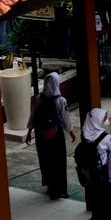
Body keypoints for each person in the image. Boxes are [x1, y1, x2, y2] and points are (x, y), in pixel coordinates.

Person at [25, 71, 76, 200]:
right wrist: (71, 132)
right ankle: (60, 190)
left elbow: (33, 116)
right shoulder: (60, 100)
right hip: (55, 134)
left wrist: (28, 133)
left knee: (46, 160)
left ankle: (50, 186)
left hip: (41, 134)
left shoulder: (38, 99)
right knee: (58, 161)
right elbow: (66, 119)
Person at [77, 108, 111, 220]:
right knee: (108, 201)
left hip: (89, 174)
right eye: (104, 118)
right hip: (103, 173)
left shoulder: (84, 135)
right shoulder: (105, 138)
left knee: (96, 200)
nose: (106, 120)